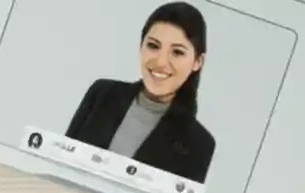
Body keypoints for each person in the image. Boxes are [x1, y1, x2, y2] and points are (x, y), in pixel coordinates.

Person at [65, 2, 215, 183]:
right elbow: (60, 161)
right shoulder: (102, 94)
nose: (160, 62)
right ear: (141, 46)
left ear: (198, 62)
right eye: (153, 46)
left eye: (177, 52)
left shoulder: (199, 143)